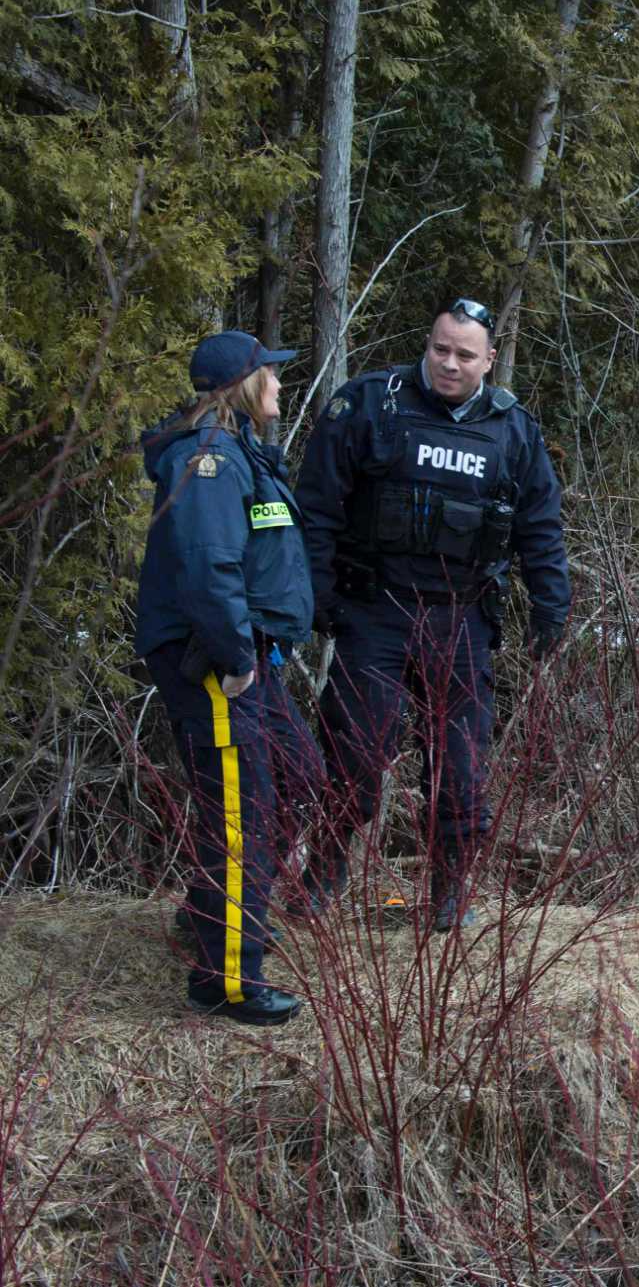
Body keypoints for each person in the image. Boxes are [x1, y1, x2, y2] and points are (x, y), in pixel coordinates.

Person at [296, 297, 571, 931]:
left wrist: (550, 608)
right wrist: (316, 599)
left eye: (464, 355)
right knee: (356, 757)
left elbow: (541, 527)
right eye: (439, 349)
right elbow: (316, 509)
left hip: (462, 619)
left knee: (461, 771)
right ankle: (324, 871)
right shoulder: (369, 404)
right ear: (428, 343)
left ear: (490, 361)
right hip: (375, 612)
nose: (448, 364)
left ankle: (450, 891)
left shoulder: (513, 430)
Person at [136, 330, 322, 1026]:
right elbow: (208, 567)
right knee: (245, 819)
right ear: (242, 385)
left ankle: (208, 912)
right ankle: (227, 979)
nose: (279, 382)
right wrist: (237, 658)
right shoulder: (208, 458)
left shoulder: (240, 452)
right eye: (269, 372)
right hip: (215, 662)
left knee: (300, 774)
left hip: (251, 658)